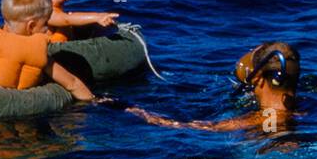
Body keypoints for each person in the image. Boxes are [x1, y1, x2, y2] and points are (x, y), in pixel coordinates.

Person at [128, 42, 301, 133]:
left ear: (258, 79)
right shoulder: (300, 111)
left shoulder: (258, 120)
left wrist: (135, 111)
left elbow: (192, 127)